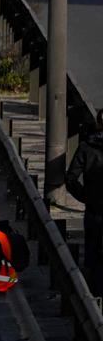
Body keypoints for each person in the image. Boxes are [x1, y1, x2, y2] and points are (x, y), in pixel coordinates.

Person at [65, 110, 103, 293]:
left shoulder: (86, 147)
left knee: (92, 254)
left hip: (94, 209)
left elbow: (71, 179)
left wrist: (87, 196)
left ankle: (93, 294)